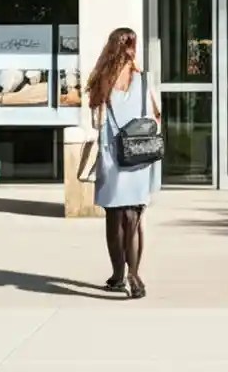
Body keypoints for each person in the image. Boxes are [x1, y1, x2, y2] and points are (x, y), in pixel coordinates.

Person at [85, 27, 162, 299]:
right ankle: (135, 274)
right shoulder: (144, 80)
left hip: (112, 156)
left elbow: (96, 121)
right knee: (134, 217)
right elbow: (157, 117)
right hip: (139, 155)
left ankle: (119, 276)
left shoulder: (102, 81)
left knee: (115, 217)